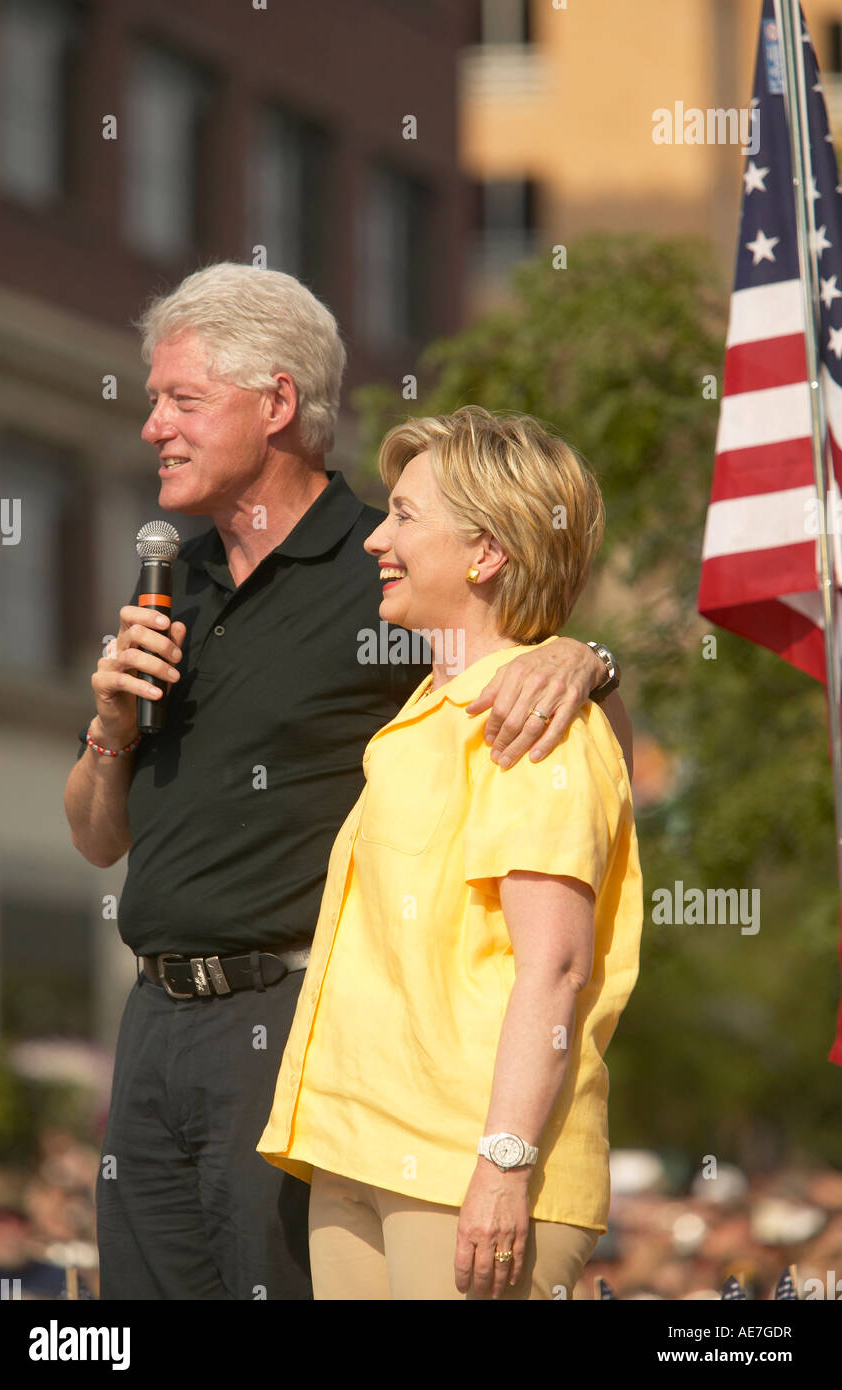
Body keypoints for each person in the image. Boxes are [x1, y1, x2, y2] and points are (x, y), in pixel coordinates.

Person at [63, 262, 630, 1301]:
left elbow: (536, 699)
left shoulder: (386, 571)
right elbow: (98, 841)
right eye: (151, 399)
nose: (151, 425)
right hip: (149, 1027)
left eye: (181, 399)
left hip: (289, 1030)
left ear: (276, 403)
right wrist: (108, 730)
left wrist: (583, 658)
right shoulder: (169, 581)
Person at [258, 406, 642, 1301]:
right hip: (356, 1150)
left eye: (403, 515)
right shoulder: (431, 713)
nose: (374, 541)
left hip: (466, 1160)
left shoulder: (529, 712)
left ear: (487, 552)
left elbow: (552, 964)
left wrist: (504, 1165)